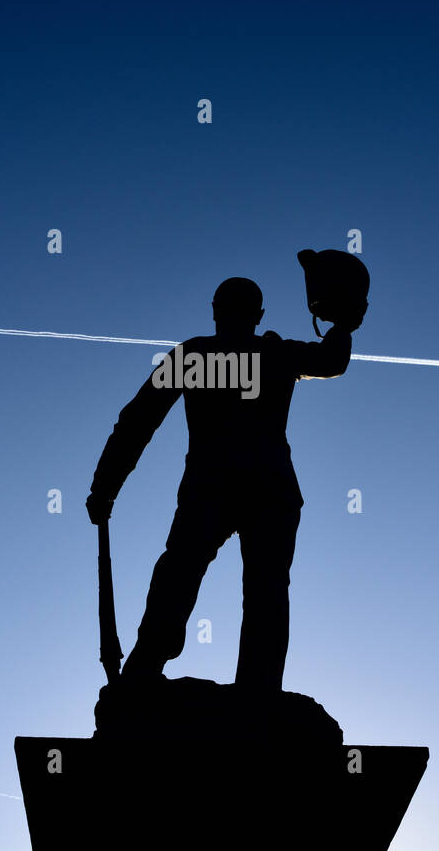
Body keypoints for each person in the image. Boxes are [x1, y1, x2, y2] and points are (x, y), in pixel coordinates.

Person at [85, 276, 366, 693]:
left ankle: (146, 668)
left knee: (181, 573)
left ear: (214, 310)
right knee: (262, 589)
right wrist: (340, 323)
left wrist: (106, 485)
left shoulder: (195, 355)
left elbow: (137, 422)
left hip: (214, 486)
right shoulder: (275, 353)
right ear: (258, 316)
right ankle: (257, 688)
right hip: (265, 488)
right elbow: (331, 361)